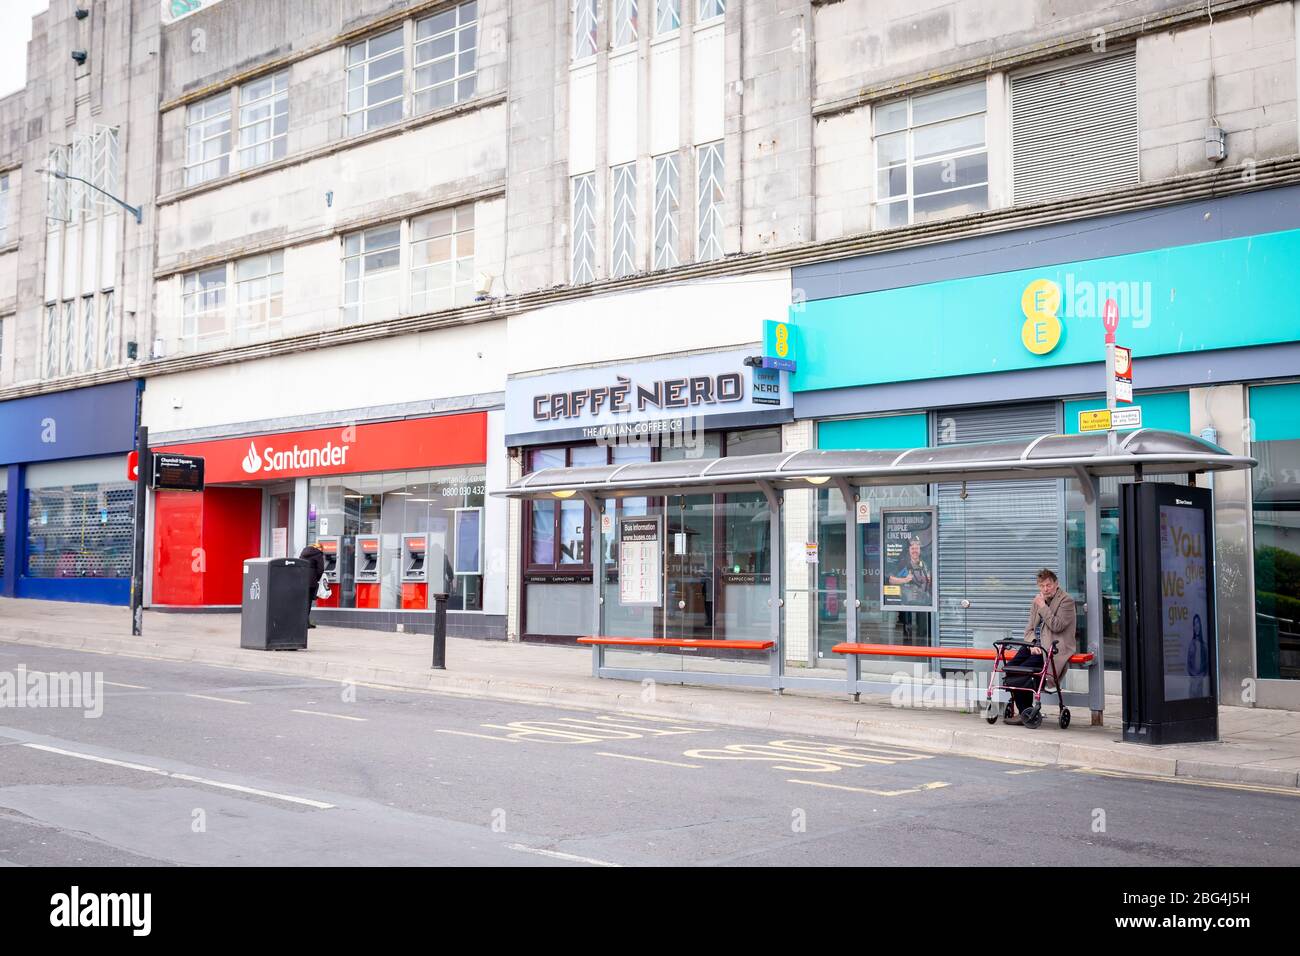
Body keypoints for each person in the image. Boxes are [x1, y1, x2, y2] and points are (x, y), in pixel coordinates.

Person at [1003, 568, 1076, 724]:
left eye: (1048, 585)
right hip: (1035, 646)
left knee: (1025, 672)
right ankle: (1025, 711)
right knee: (1010, 668)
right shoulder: (1037, 601)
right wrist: (1032, 644)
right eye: (1042, 586)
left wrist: (1043, 606)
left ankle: (1025, 713)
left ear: (1056, 584)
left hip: (1053, 649)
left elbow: (1057, 626)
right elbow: (1028, 630)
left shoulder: (1066, 601)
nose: (1045, 589)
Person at [888, 535, 932, 608]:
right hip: (907, 604)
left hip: (924, 603)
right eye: (912, 548)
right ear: (909, 550)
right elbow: (891, 580)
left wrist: (929, 579)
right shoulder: (903, 565)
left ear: (920, 550)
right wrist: (905, 580)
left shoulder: (926, 564)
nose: (915, 551)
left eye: (917, 548)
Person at [299, 543, 326, 630]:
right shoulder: (318, 554)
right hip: (311, 581)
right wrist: (317, 578)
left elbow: (300, 565)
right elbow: (320, 569)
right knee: (308, 602)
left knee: (302, 602)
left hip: (302, 579)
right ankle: (306, 623)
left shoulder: (303, 552)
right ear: (320, 548)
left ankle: (302, 622)